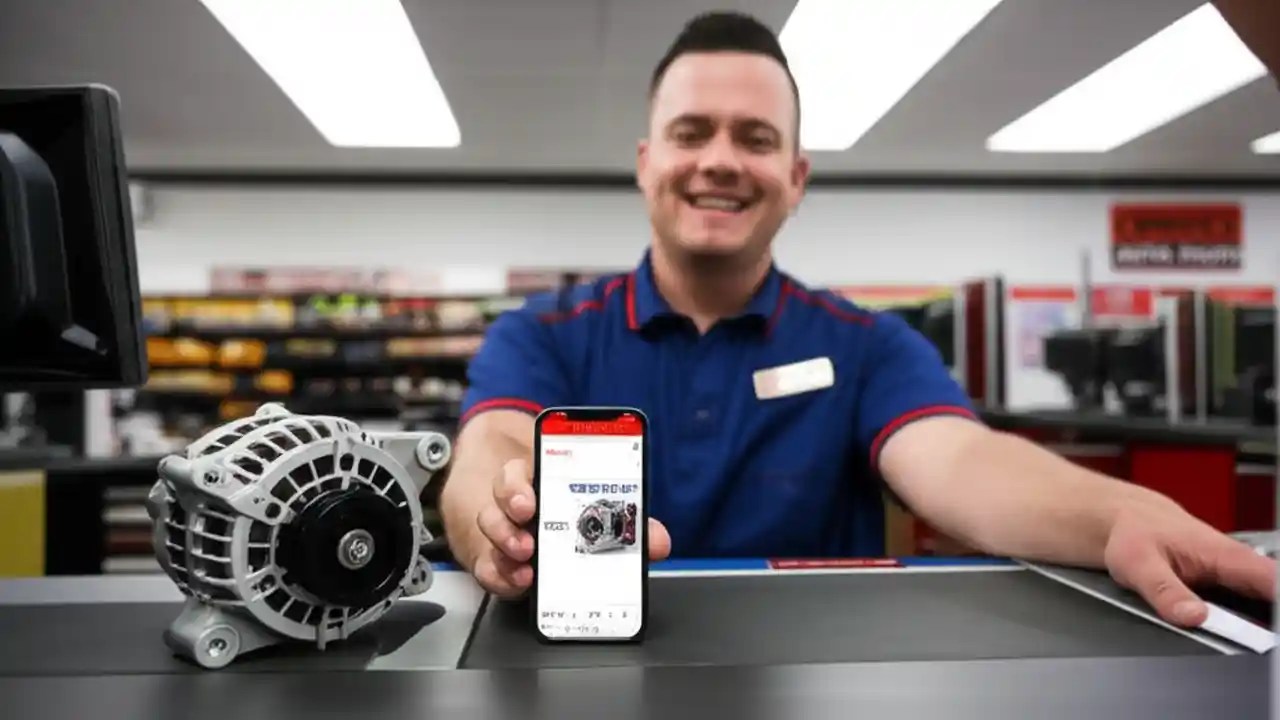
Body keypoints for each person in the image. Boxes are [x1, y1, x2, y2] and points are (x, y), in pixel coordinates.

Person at [439, 11, 1275, 628]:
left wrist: (1118, 516)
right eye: (691, 133)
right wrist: (501, 515)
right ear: (647, 163)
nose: (722, 159)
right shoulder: (541, 334)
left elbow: (965, 463)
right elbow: (491, 449)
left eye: (755, 138)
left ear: (796, 177)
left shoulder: (866, 345)